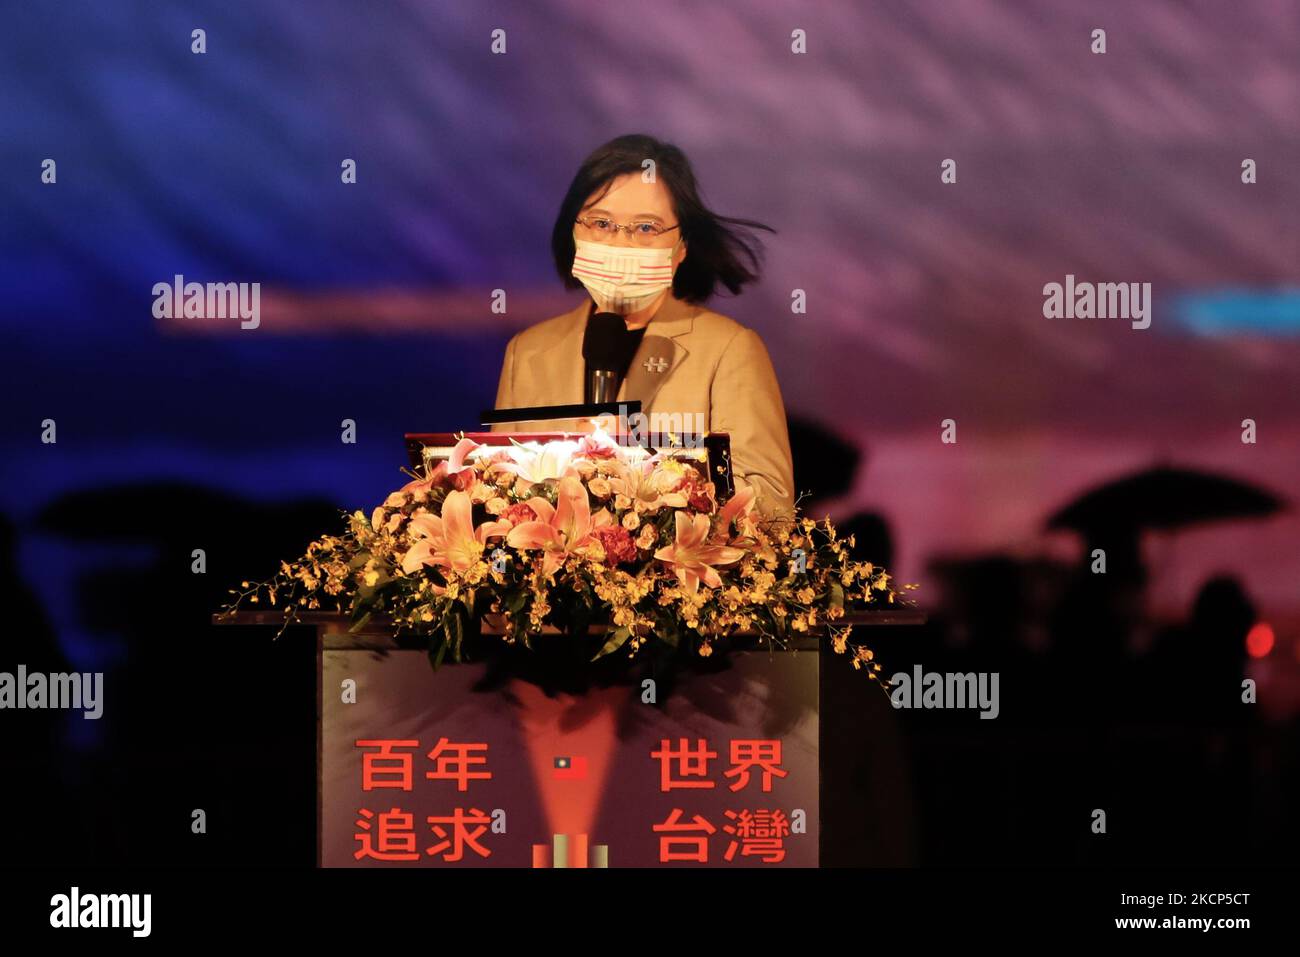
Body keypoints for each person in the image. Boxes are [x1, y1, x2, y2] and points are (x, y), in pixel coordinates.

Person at [491, 133, 796, 521]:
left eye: (646, 228)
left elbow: (772, 505)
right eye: (601, 223)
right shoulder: (528, 352)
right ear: (574, 231)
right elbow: (499, 495)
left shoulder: (729, 350)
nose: (621, 244)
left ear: (682, 245)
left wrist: (640, 465)